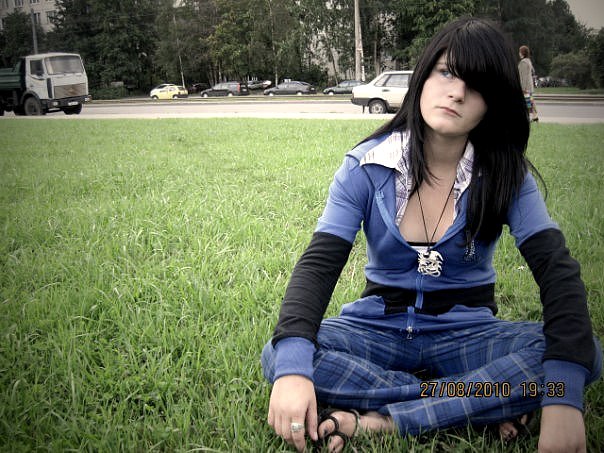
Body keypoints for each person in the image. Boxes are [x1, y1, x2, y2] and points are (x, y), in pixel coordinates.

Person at [261, 17, 601, 453]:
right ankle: (479, 399)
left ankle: (383, 422)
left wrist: (564, 399)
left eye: (476, 87)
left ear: (492, 103)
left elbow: (556, 270)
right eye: (447, 72)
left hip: (469, 334)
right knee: (284, 355)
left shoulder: (507, 175)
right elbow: (319, 264)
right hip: (377, 329)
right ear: (423, 76)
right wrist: (293, 372)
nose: (456, 92)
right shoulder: (365, 167)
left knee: (578, 355)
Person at [518, 45, 539, 122]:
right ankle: (535, 116)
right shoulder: (528, 61)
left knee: (527, 102)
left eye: (520, 52)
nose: (519, 53)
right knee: (530, 101)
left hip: (525, 86)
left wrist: (523, 88)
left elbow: (523, 77)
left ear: (523, 53)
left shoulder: (523, 62)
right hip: (529, 86)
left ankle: (529, 117)